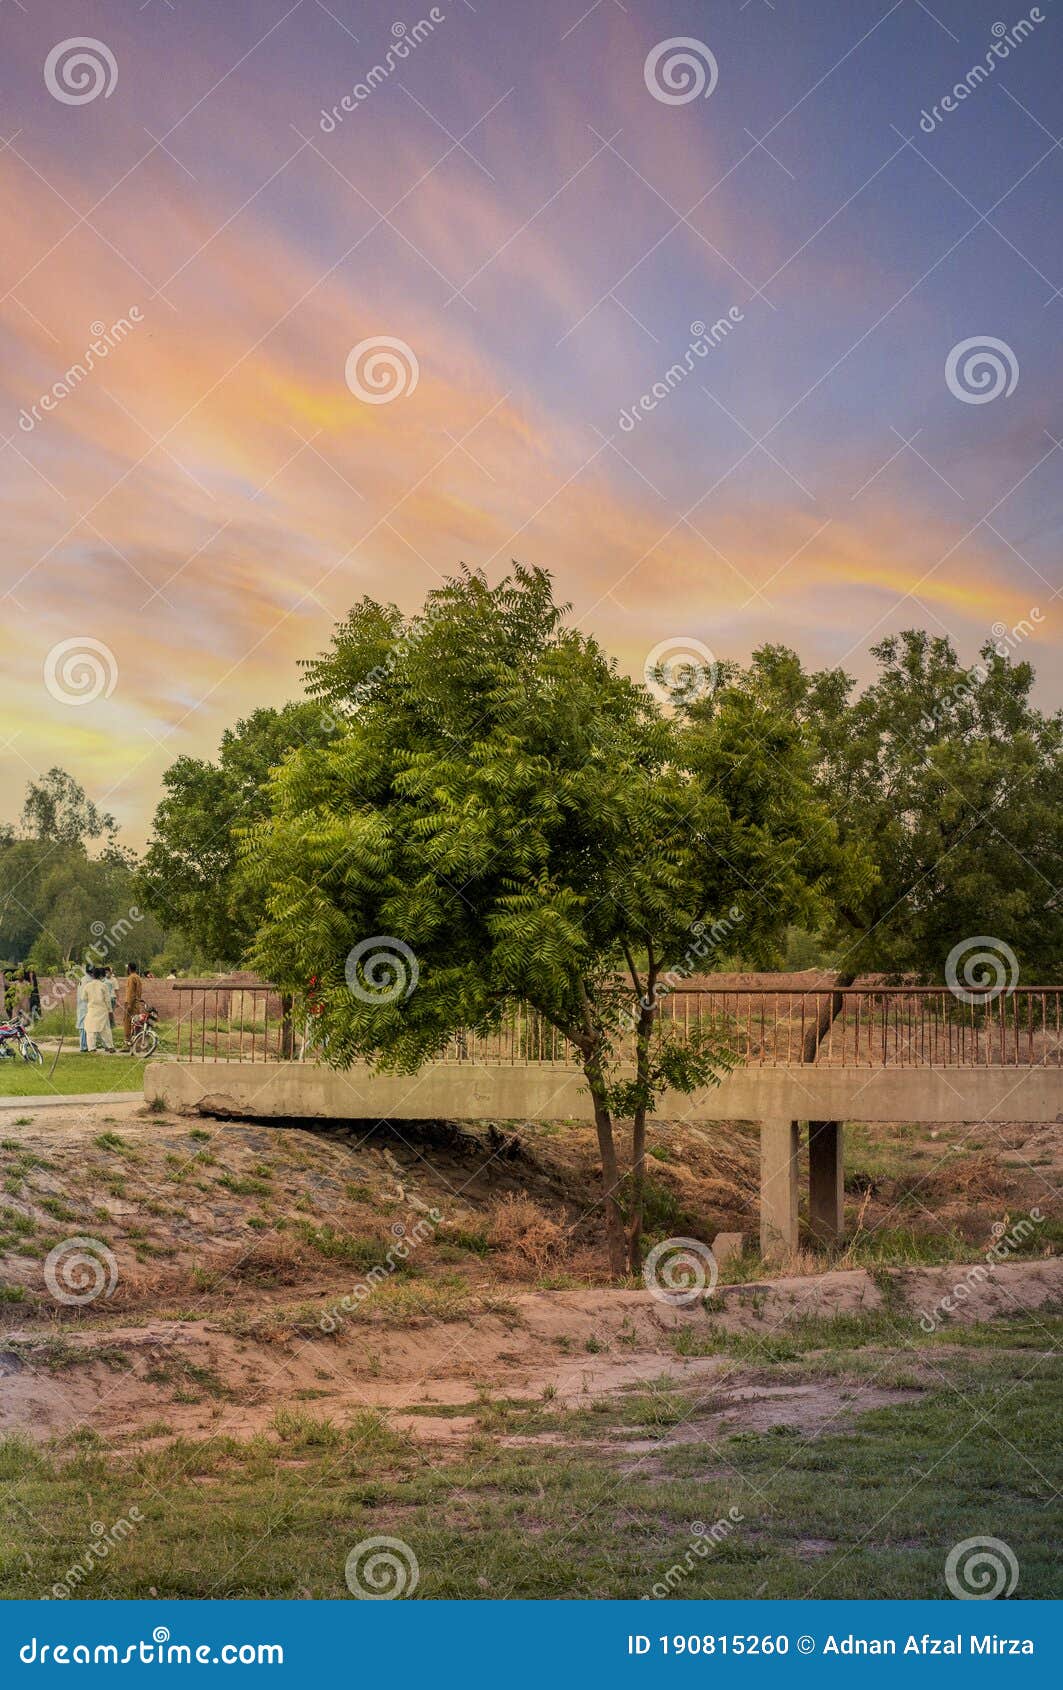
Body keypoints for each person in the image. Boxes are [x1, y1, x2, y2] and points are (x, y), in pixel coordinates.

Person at [83, 967, 115, 1053]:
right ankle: (110, 1046)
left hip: (92, 1010)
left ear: (92, 975)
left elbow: (84, 998)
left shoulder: (87, 986)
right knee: (105, 1029)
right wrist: (110, 1011)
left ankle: (92, 1048)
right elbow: (107, 1000)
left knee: (90, 1029)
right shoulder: (103, 985)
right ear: (100, 975)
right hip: (102, 1010)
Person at [123, 961, 143, 1048]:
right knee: (137, 1024)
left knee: (128, 1023)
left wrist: (129, 1005)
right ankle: (137, 1043)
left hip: (131, 1004)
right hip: (137, 1004)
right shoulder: (138, 977)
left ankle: (128, 1043)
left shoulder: (131, 978)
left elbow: (131, 992)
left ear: (129, 968)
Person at [76, 965, 90, 1052]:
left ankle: (83, 1045)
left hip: (81, 1005)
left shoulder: (82, 979)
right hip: (87, 1005)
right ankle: (84, 1046)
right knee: (85, 1026)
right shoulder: (90, 980)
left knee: (82, 1025)